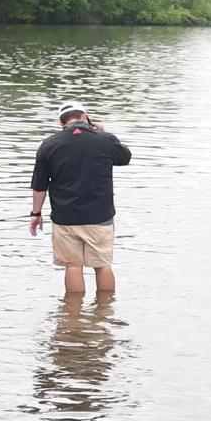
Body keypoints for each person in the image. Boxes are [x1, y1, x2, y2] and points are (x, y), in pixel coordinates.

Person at [30, 101, 131, 294]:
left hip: (66, 218)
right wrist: (101, 132)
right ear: (85, 117)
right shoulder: (104, 140)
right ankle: (105, 313)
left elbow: (39, 185)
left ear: (62, 123)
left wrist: (36, 213)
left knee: (73, 266)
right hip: (100, 216)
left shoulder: (49, 144)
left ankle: (72, 318)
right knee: (102, 265)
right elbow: (125, 157)